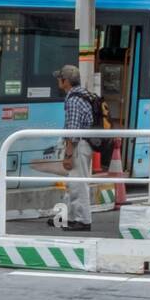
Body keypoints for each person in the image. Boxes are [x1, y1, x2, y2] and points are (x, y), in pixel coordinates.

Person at [51, 64, 94, 231]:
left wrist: (68, 153)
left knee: (78, 184)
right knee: (74, 182)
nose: (57, 81)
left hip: (79, 145)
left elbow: (73, 130)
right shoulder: (83, 95)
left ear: (66, 81)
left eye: (59, 78)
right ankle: (69, 217)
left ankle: (83, 220)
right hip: (84, 143)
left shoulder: (74, 100)